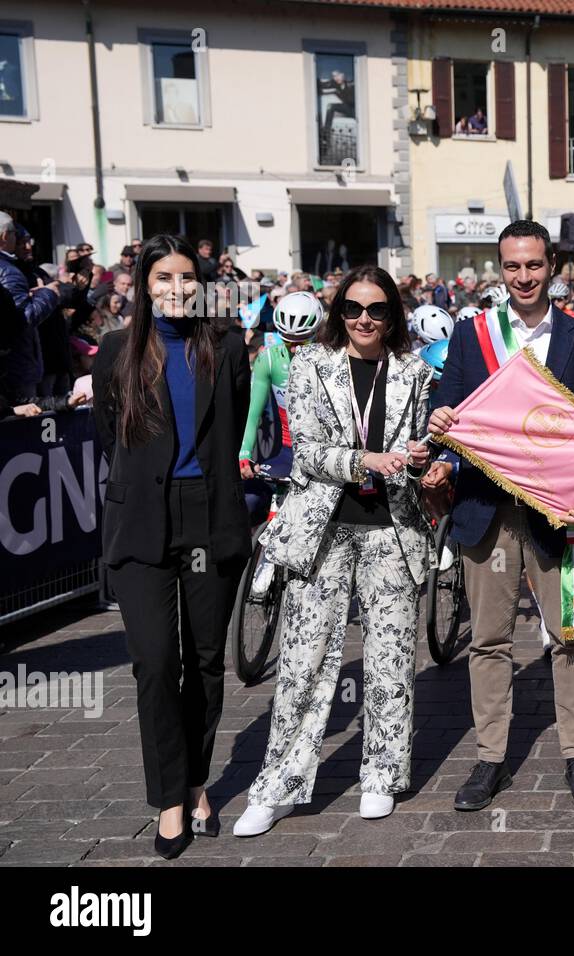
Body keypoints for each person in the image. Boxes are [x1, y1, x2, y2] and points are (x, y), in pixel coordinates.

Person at [234, 265, 433, 836]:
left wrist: (422, 459)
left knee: (391, 658)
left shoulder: (414, 371)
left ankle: (381, 776)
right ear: (337, 312)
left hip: (392, 529)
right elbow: (308, 452)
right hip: (322, 530)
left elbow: (414, 450)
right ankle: (277, 785)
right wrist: (362, 461)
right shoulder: (311, 365)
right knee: (303, 662)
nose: (364, 319)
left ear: (392, 315)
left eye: (376, 310)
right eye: (353, 308)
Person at [423, 220, 574, 812]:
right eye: (512, 266)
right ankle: (490, 758)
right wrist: (440, 421)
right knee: (489, 639)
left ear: (551, 265)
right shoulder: (473, 333)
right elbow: (445, 399)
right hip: (486, 509)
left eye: (533, 265)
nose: (523, 277)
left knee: (573, 635)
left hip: (559, 513)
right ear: (499, 269)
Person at [91, 234, 251, 859]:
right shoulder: (114, 354)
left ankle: (195, 781)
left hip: (208, 517)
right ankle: (169, 800)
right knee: (157, 663)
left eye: (187, 278)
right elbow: (113, 436)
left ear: (203, 283)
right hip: (141, 524)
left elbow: (233, 428)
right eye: (163, 279)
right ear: (141, 285)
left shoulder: (228, 348)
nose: (177, 290)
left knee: (204, 661)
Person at [238, 291, 324, 522]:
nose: (295, 348)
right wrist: (244, 452)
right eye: (288, 340)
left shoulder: (330, 359)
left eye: (302, 341)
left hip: (320, 450)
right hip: (284, 449)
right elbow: (252, 413)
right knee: (251, 505)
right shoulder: (268, 359)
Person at [0, 212, 61, 398]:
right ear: (4, 236)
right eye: (16, 235)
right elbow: (25, 317)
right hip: (16, 367)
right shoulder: (9, 271)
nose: (23, 244)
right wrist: (48, 293)